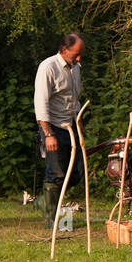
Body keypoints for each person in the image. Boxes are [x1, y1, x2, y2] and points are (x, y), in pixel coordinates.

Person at [33, 33, 84, 224]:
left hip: (71, 126)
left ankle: (43, 201)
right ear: (64, 50)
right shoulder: (48, 67)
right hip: (52, 127)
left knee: (76, 173)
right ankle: (51, 219)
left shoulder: (75, 68)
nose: (79, 58)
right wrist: (48, 134)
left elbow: (74, 100)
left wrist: (79, 126)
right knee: (56, 174)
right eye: (76, 54)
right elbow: (41, 103)